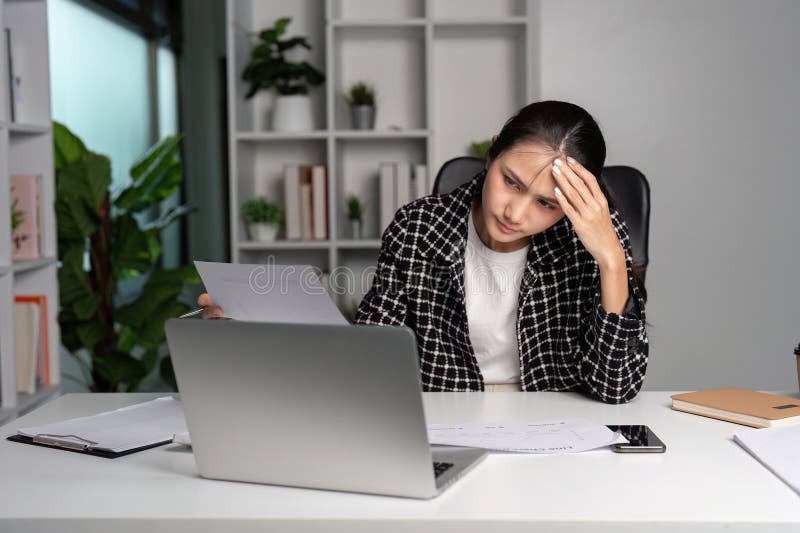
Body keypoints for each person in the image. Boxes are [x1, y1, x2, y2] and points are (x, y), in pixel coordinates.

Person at [198, 100, 648, 403]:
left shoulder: (594, 238)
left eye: (546, 204)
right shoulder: (420, 226)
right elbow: (370, 358)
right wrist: (259, 334)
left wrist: (611, 261)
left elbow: (615, 388)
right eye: (510, 181)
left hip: (556, 436)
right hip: (445, 423)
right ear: (492, 154)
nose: (515, 211)